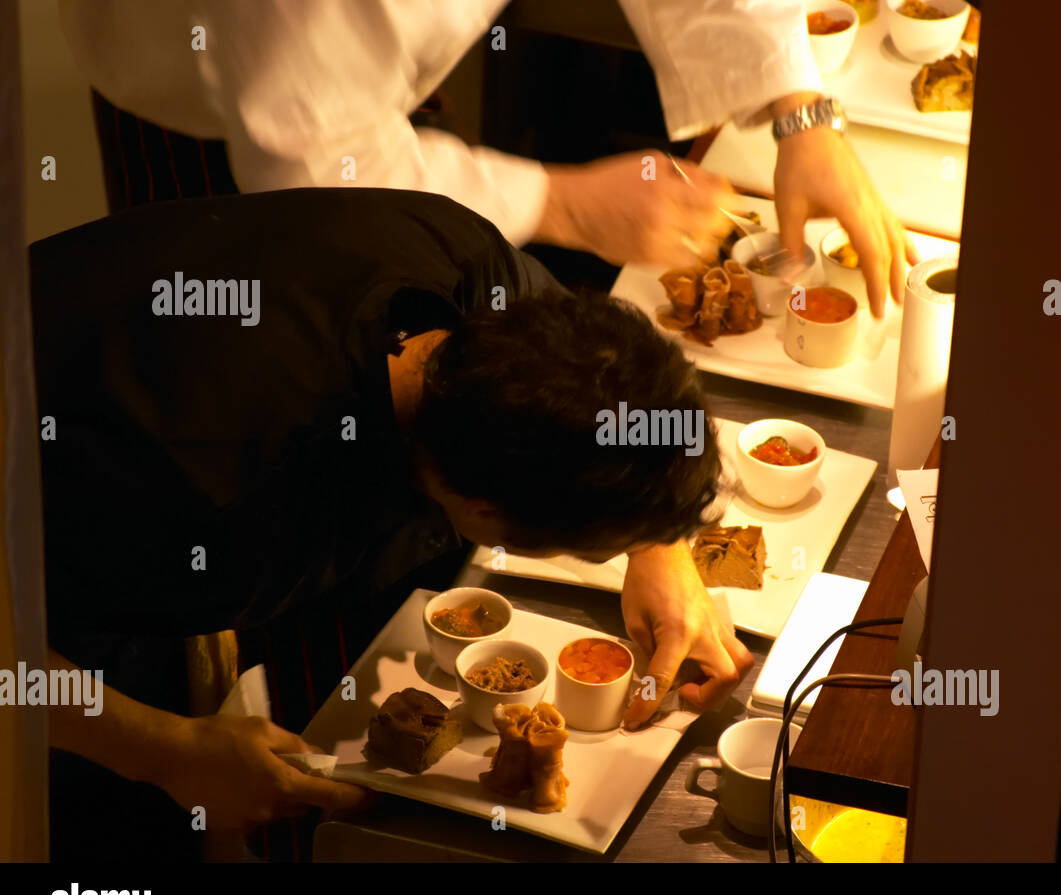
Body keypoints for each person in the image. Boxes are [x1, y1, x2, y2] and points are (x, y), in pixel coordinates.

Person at [31, 187, 751, 852]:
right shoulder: (212, 470)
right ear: (480, 512)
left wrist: (657, 537)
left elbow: (598, 383)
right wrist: (163, 750)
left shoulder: (481, 283)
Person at [60, 0, 918, 318]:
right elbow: (318, 169)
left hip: (364, 92)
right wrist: (567, 205)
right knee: (277, 441)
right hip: (209, 126)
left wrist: (798, 109)